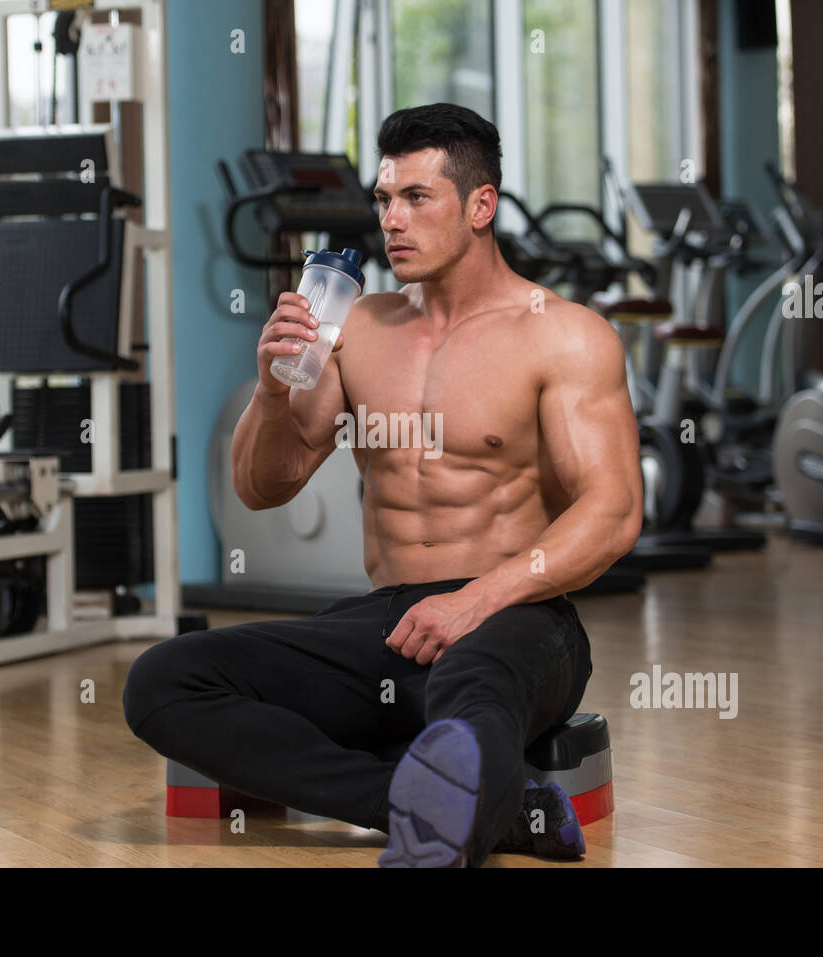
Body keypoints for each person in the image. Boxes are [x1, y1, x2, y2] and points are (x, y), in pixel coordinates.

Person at [124, 102, 642, 867]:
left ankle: (450, 800)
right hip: (384, 621)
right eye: (383, 199)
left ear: (479, 206)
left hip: (519, 616)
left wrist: (476, 599)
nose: (391, 220)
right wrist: (271, 390)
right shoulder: (359, 328)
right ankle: (432, 802)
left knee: (470, 685)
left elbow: (614, 511)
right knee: (164, 679)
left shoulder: (562, 334)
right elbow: (265, 485)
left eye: (415, 198)